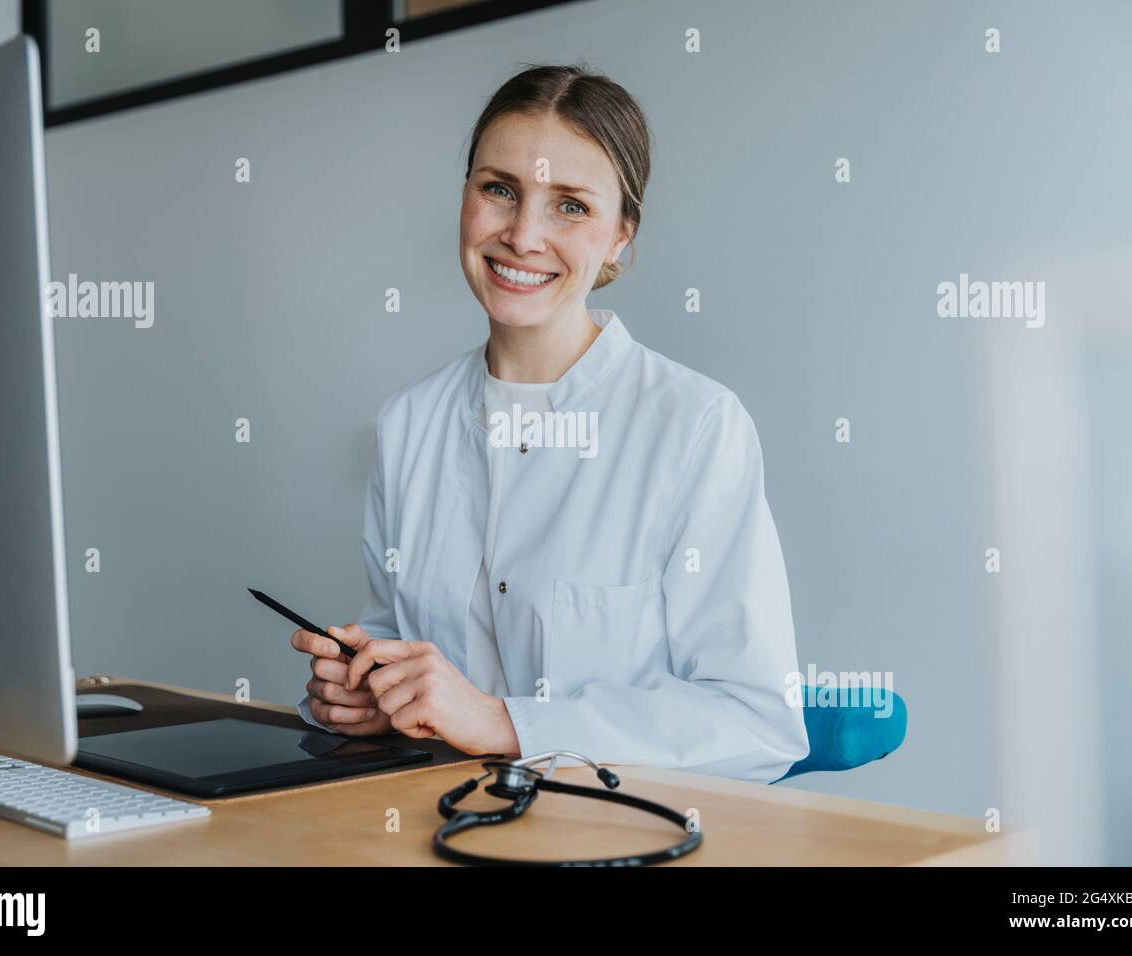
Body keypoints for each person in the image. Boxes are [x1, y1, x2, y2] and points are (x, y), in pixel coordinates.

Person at [293, 63, 808, 782]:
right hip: (437, 826)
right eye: (499, 189)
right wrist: (373, 692)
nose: (524, 235)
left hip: (620, 836)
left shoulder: (695, 427)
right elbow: (396, 633)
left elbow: (755, 722)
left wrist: (503, 722)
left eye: (570, 205)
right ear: (466, 195)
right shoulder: (409, 422)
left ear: (622, 234)